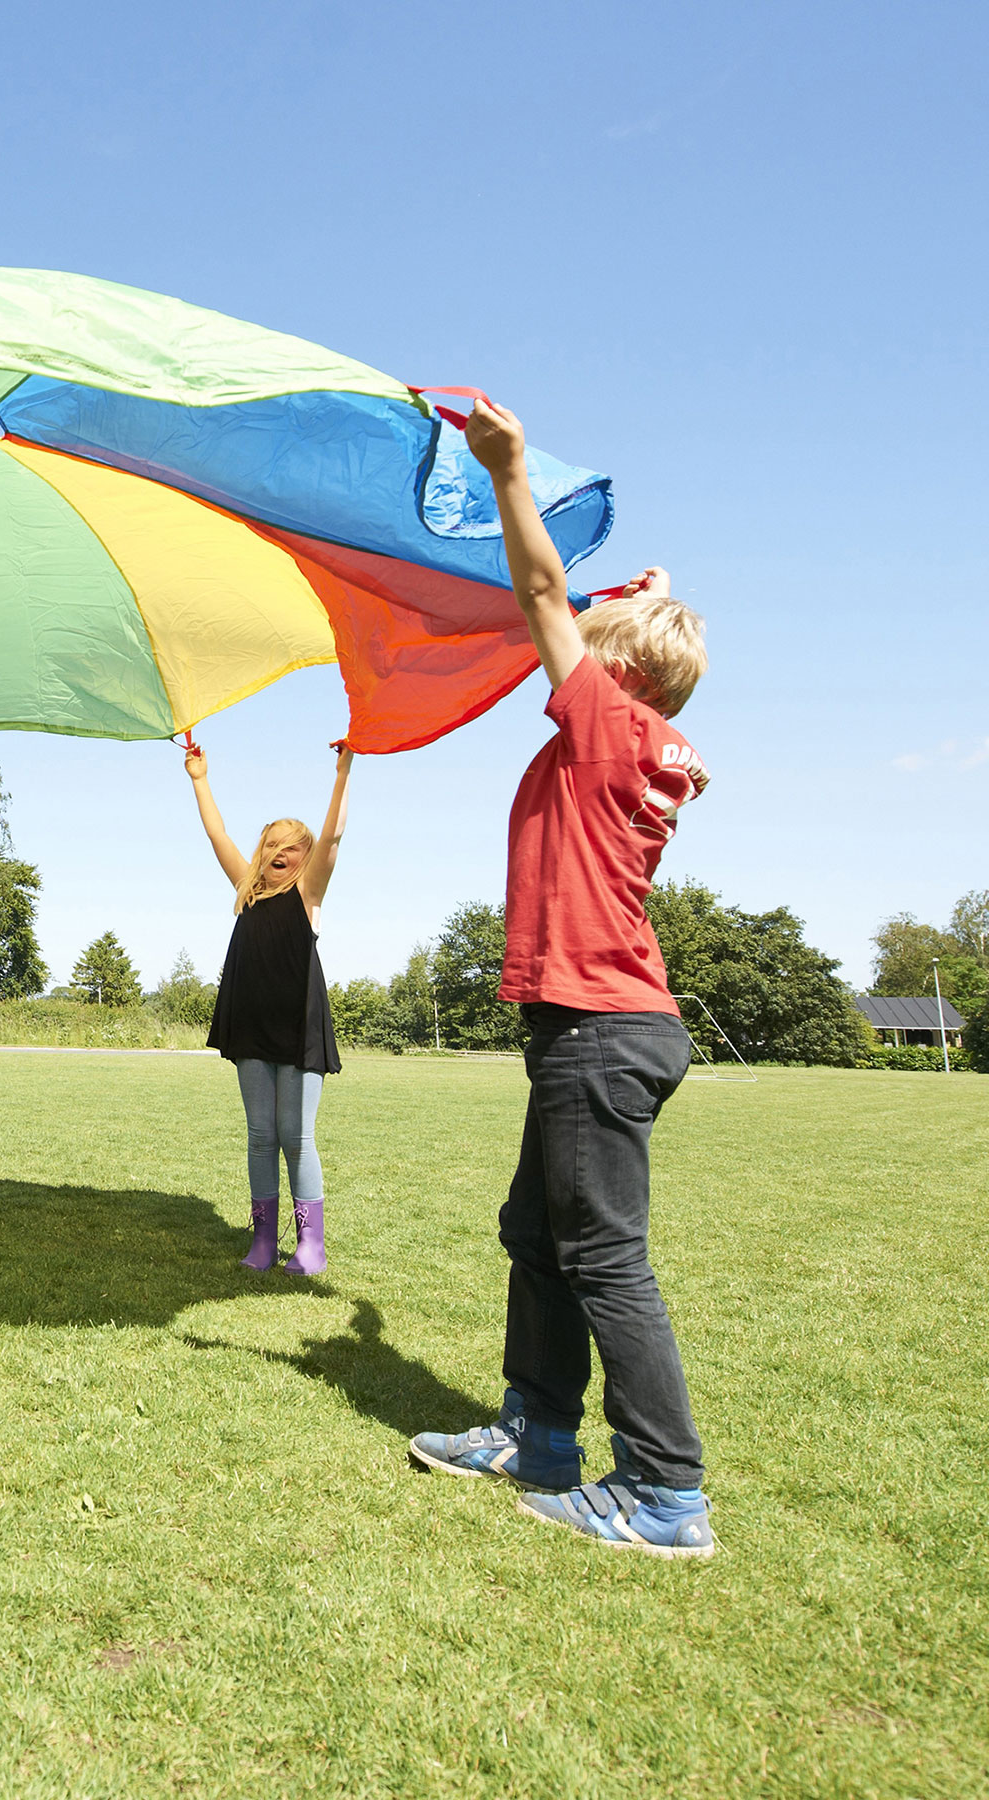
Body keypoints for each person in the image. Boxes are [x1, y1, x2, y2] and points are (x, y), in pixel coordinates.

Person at [407, 397, 717, 1559]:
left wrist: (510, 472)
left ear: (621, 664)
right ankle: (537, 1434)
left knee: (600, 1254)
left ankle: (666, 1492)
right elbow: (590, 613)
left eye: (613, 627)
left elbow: (542, 594)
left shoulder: (600, 721)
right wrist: (650, 593)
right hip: (603, 1022)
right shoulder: (646, 738)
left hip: (598, 1025)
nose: (591, 623)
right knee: (532, 1232)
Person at [187, 741, 351, 1276]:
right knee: (261, 1134)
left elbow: (334, 836)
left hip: (299, 1029)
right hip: (252, 1026)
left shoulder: (308, 894)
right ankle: (262, 1240)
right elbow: (217, 834)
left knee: (295, 1135)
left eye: (293, 846)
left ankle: (311, 1246)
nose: (282, 851)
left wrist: (343, 772)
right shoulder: (245, 889)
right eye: (274, 843)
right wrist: (199, 778)